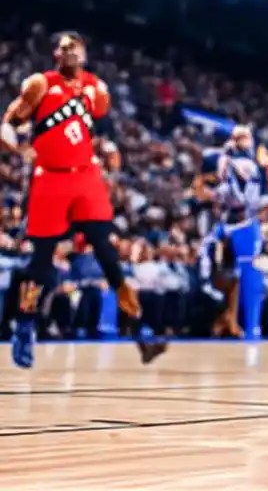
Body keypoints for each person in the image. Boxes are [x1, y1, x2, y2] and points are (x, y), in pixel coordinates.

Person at [0, 31, 168, 368]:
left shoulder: (96, 88)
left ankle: (139, 331)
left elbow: (88, 127)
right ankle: (24, 325)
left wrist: (105, 151)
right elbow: (8, 122)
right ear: (55, 55)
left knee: (107, 252)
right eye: (62, 48)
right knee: (41, 259)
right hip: (50, 177)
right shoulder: (41, 84)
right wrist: (20, 148)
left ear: (84, 54)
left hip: (85, 177)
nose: (68, 52)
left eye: (73, 47)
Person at [195, 125, 268, 339]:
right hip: (233, 222)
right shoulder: (241, 163)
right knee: (228, 267)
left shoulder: (234, 161)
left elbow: (220, 184)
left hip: (236, 223)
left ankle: (246, 326)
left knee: (245, 273)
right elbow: (229, 193)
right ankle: (235, 322)